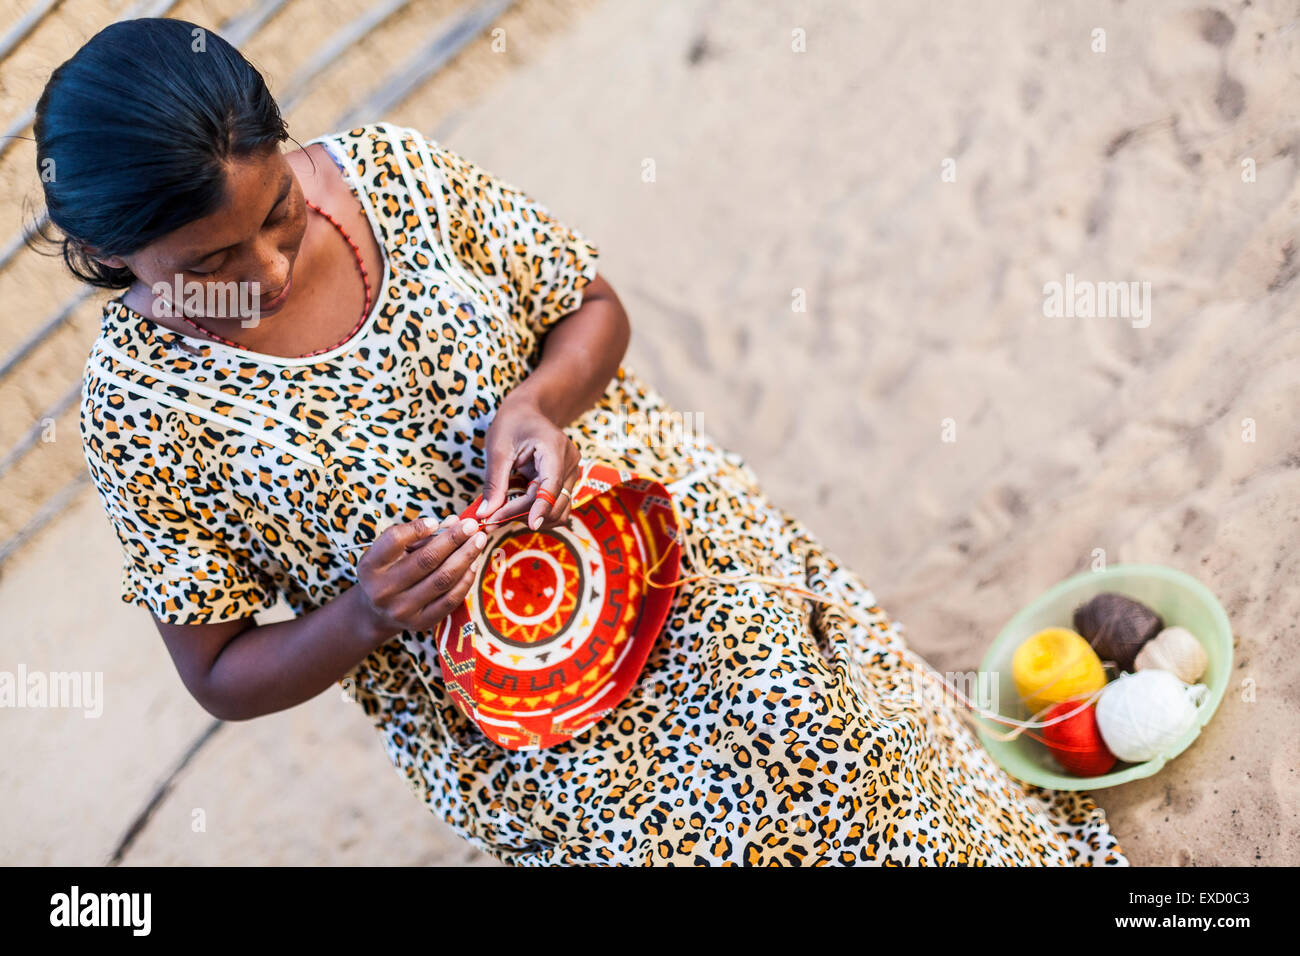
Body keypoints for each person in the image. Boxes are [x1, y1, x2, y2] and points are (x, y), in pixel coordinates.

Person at [33, 17, 1127, 865]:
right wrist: (366, 614)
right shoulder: (141, 414)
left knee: (831, 734)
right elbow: (220, 670)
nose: (268, 269)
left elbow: (590, 306)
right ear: (104, 251)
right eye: (209, 265)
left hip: (668, 557)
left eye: (278, 211)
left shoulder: (394, 180)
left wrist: (543, 402)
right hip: (532, 727)